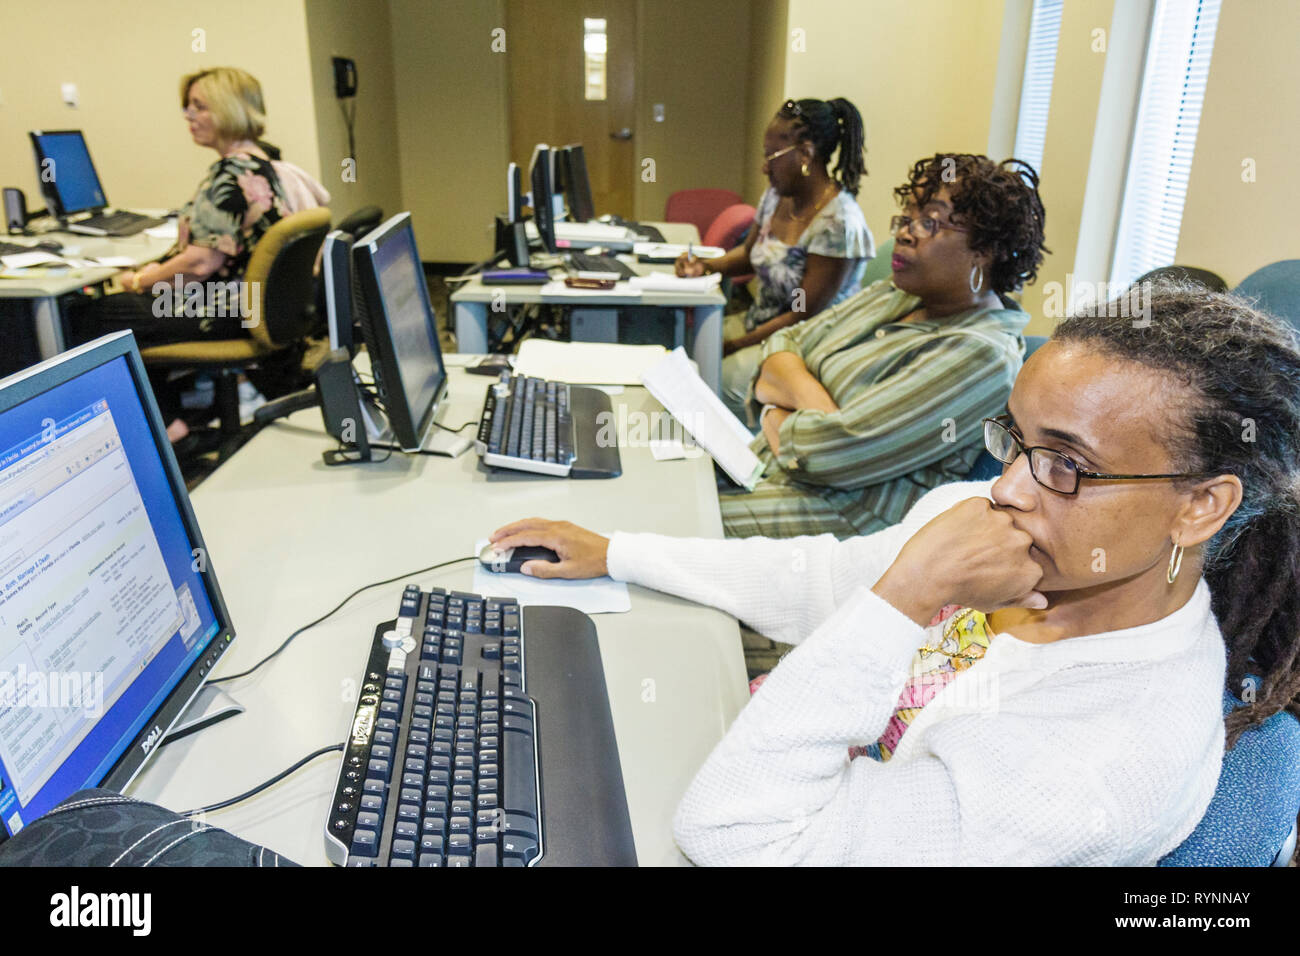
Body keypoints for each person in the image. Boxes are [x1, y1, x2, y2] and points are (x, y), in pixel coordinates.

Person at [487, 282, 1300, 864]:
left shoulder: (1104, 765)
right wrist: (620, 552)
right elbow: (818, 580)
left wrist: (907, 597)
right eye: (1014, 439)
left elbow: (735, 835)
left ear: (1199, 506)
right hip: (790, 777)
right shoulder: (1015, 533)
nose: (1008, 488)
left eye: (1067, 464)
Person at [721, 153, 1047, 541]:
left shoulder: (983, 357)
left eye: (930, 223)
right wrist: (813, 412)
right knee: (652, 483)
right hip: (768, 469)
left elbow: (833, 455)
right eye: (906, 218)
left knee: (665, 521)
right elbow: (783, 342)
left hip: (839, 525)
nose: (905, 233)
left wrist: (778, 404)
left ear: (985, 250)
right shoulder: (894, 293)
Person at [67, 67, 305, 440]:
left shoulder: (227, 174)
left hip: (224, 309)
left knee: (98, 314)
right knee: (131, 308)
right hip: (253, 305)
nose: (189, 116)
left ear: (228, 110)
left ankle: (168, 424)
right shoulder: (263, 164)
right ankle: (176, 411)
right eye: (187, 107)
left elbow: (200, 262)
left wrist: (142, 279)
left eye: (199, 107)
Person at [675, 98, 873, 422]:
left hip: (802, 344)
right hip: (759, 323)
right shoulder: (777, 195)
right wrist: (705, 266)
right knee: (682, 347)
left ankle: (729, 468)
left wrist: (737, 344)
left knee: (716, 381)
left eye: (772, 157)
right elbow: (751, 255)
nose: (765, 167)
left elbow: (801, 314)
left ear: (806, 154)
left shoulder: (839, 223)